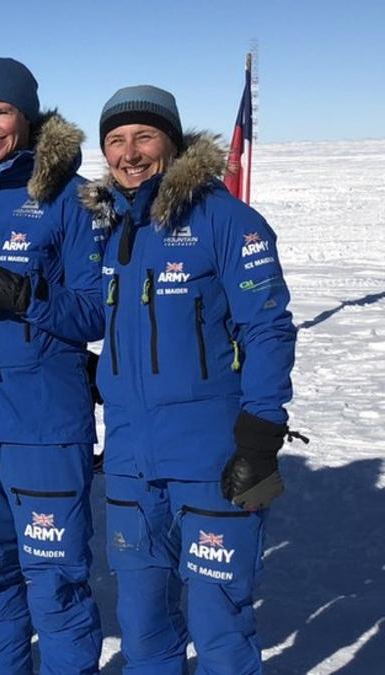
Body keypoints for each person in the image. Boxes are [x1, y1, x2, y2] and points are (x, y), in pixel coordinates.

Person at [80, 84, 298, 674]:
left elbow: (269, 330)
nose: (130, 153)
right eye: (116, 140)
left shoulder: (226, 220)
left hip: (213, 456)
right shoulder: (111, 228)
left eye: (144, 136)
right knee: (145, 622)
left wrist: (259, 435)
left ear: (172, 143)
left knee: (218, 620)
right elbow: (90, 317)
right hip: (130, 458)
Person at [0, 57, 105, 674]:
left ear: (26, 116)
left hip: (42, 424)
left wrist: (24, 295)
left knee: (55, 588)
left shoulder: (69, 196)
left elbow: (95, 314)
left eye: (1, 111)